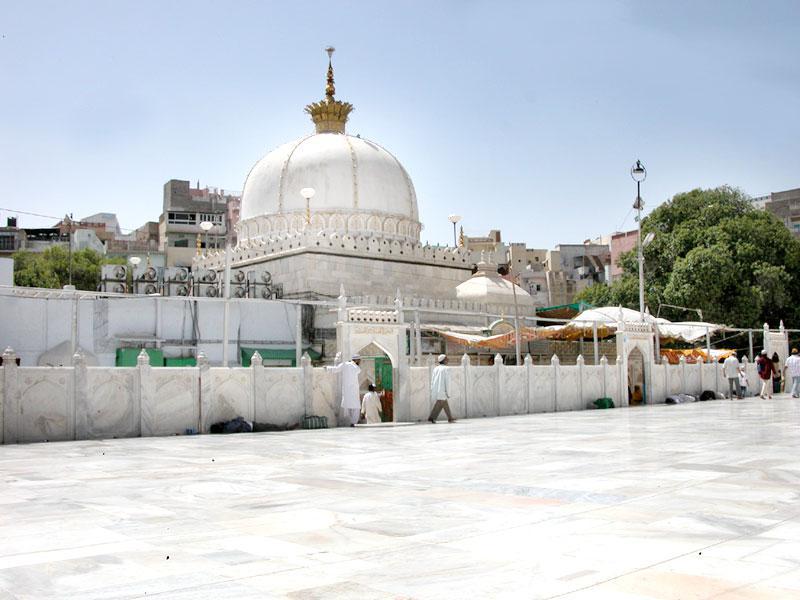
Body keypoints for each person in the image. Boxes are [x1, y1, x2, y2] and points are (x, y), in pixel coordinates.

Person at [327, 354, 362, 426]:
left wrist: (327, 368)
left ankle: (349, 421)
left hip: (347, 390)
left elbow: (336, 369)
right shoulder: (355, 366)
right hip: (353, 390)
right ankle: (352, 422)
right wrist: (353, 363)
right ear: (356, 360)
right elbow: (358, 370)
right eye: (359, 360)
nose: (359, 362)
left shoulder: (345, 364)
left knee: (348, 406)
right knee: (355, 407)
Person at [428, 354, 455, 423]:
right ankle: (432, 417)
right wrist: (448, 392)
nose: (448, 360)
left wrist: (432, 389)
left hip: (436, 390)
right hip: (443, 390)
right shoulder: (447, 369)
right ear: (444, 360)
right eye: (446, 358)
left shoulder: (435, 369)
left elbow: (432, 380)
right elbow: (447, 381)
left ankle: (450, 418)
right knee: (441, 402)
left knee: (443, 403)